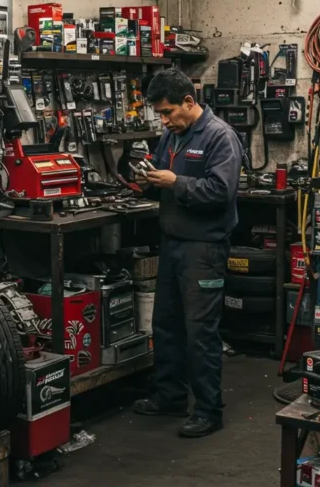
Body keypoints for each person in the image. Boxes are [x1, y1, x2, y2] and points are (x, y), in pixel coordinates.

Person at [132, 68, 244, 438]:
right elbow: (164, 181)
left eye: (168, 113)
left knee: (200, 331)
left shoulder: (219, 137)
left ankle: (209, 410)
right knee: (166, 324)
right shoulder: (171, 137)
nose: (163, 121)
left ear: (189, 102)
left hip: (205, 248)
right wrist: (147, 180)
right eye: (159, 115)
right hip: (174, 242)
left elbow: (219, 192)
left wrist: (175, 181)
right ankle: (170, 395)